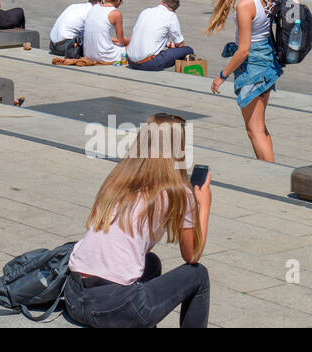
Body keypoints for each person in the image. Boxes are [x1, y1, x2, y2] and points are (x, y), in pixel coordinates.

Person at [62, 114, 212, 329]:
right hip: (113, 308)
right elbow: (192, 255)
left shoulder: (118, 181)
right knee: (198, 274)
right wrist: (203, 206)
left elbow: (137, 246)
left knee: (151, 263)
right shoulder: (180, 193)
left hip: (75, 298)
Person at [207, 0, 282, 163]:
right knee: (261, 126)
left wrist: (222, 75)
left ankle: (269, 172)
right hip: (268, 61)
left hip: (252, 67)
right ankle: (271, 166)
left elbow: (244, 50)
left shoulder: (245, 5)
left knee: (254, 130)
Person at [126, 0, 195, 71]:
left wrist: (166, 44)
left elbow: (149, 35)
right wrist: (173, 45)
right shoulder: (171, 16)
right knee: (188, 50)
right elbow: (180, 43)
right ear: (175, 9)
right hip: (148, 63)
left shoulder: (146, 11)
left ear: (161, 2)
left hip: (131, 61)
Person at [82, 0, 129, 64]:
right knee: (131, 46)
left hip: (87, 54)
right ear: (119, 0)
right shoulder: (116, 13)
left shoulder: (95, 7)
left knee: (113, 41)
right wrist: (130, 40)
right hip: (104, 56)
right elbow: (121, 41)